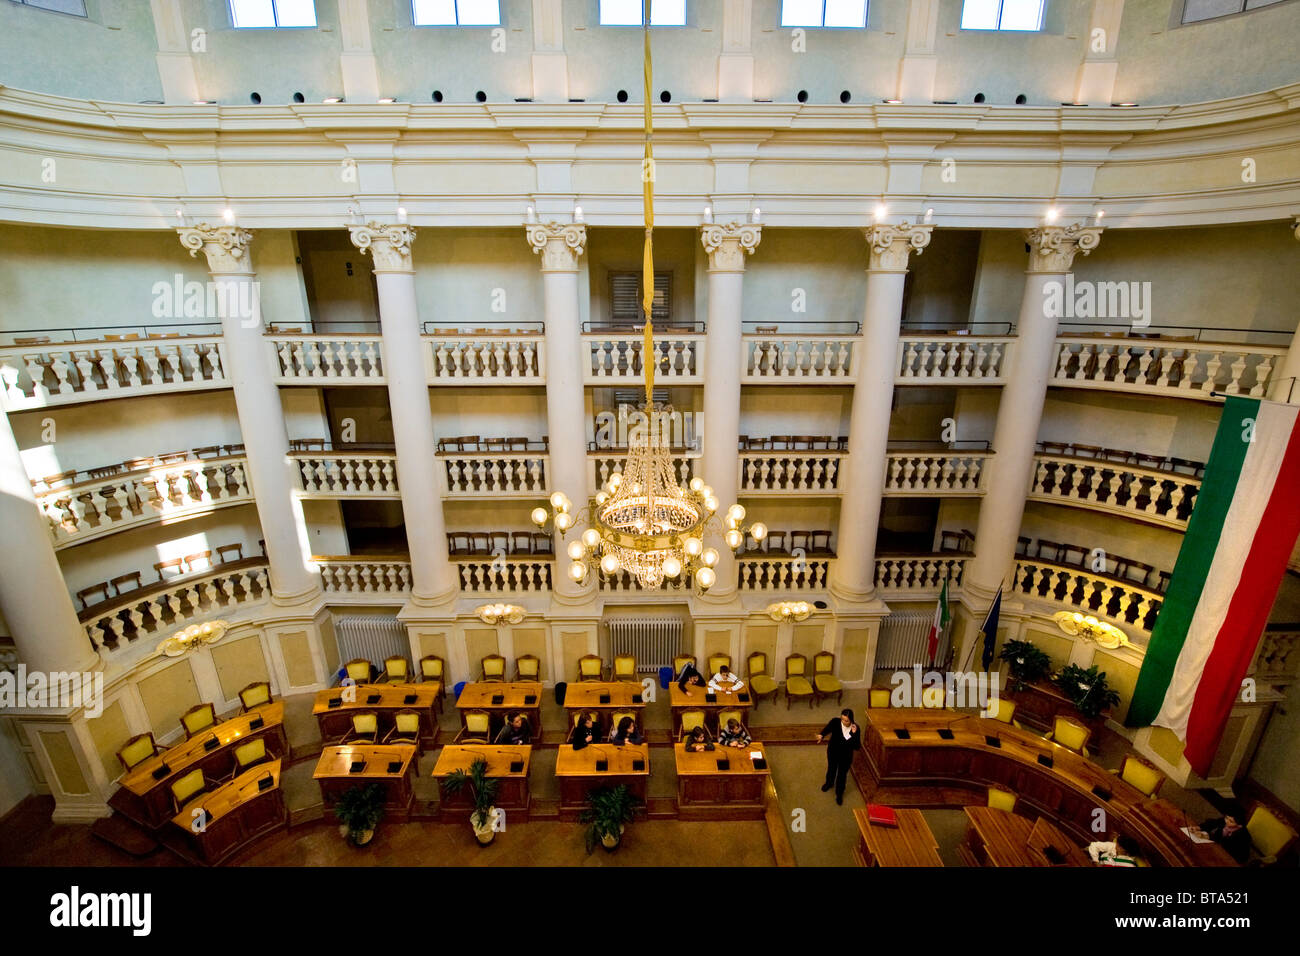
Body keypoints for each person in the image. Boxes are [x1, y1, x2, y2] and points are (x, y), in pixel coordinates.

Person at [817, 708, 861, 805]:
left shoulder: (856, 728)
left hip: (846, 756)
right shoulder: (835, 722)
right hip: (833, 752)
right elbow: (827, 729)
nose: (844, 722)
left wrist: (853, 734)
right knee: (831, 769)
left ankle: (839, 794)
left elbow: (857, 746)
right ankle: (829, 783)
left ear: (851, 720)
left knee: (842, 775)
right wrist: (821, 735)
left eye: (846, 720)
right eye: (842, 719)